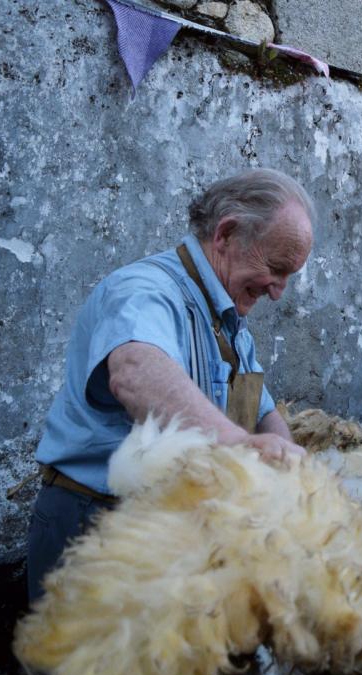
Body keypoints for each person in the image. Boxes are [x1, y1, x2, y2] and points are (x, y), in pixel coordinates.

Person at [27, 168, 314, 602]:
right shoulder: (145, 291)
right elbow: (136, 371)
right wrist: (237, 447)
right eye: (276, 269)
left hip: (166, 532)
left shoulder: (231, 323)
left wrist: (287, 475)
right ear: (227, 235)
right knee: (94, 668)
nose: (278, 292)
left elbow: (260, 410)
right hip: (95, 524)